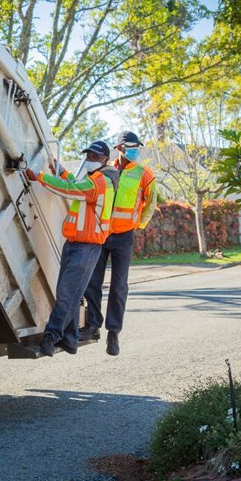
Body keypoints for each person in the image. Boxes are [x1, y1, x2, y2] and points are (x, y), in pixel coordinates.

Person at [25, 140, 118, 357]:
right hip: (75, 244)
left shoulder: (102, 182)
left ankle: (52, 335)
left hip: (87, 247)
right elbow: (76, 183)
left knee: (67, 293)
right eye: (88, 156)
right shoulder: (94, 179)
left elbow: (72, 190)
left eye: (95, 157)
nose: (89, 160)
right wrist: (62, 171)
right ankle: (71, 339)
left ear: (105, 160)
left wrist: (39, 177)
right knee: (69, 293)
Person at [81, 131, 156, 356]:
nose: (136, 151)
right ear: (120, 148)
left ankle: (113, 332)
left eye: (137, 147)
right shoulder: (105, 170)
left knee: (119, 285)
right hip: (101, 233)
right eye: (132, 147)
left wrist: (137, 225)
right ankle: (93, 325)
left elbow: (150, 204)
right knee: (92, 282)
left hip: (124, 237)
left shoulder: (144, 174)